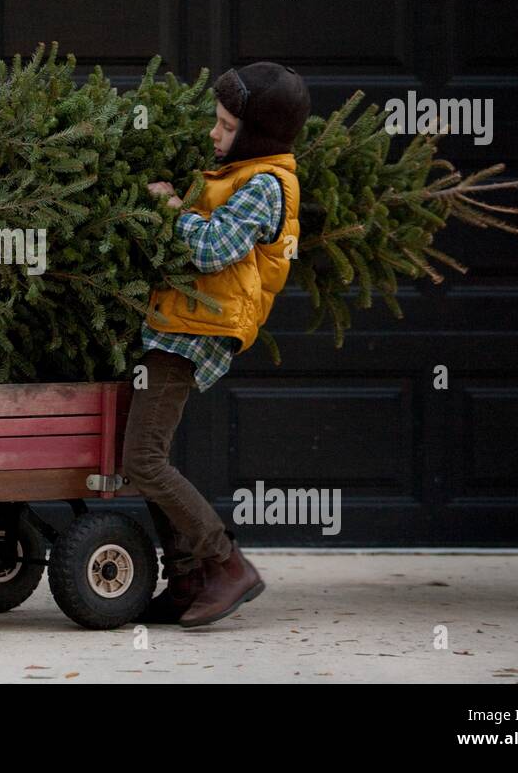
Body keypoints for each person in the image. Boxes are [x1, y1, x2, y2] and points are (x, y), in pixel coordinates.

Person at [129, 61, 309, 627]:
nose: (215, 134)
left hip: (197, 331)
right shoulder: (240, 172)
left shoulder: (265, 186)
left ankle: (224, 563)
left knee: (141, 457)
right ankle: (186, 578)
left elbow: (211, 249)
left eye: (227, 126)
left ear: (254, 133)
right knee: (148, 455)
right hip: (178, 322)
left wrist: (168, 210)